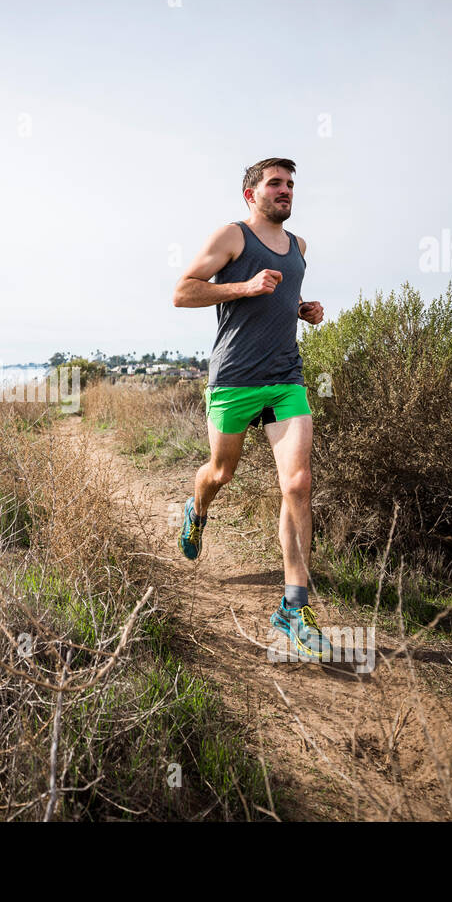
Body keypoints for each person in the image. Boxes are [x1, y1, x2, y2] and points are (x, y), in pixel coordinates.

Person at [170, 157, 328, 657]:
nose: (285, 191)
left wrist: (303, 310)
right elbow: (182, 292)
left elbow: (281, 300)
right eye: (275, 184)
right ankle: (198, 510)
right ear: (251, 194)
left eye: (290, 185)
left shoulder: (299, 248)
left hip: (286, 379)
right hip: (235, 379)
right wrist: (244, 286)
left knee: (298, 483)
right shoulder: (232, 236)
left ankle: (292, 608)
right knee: (219, 473)